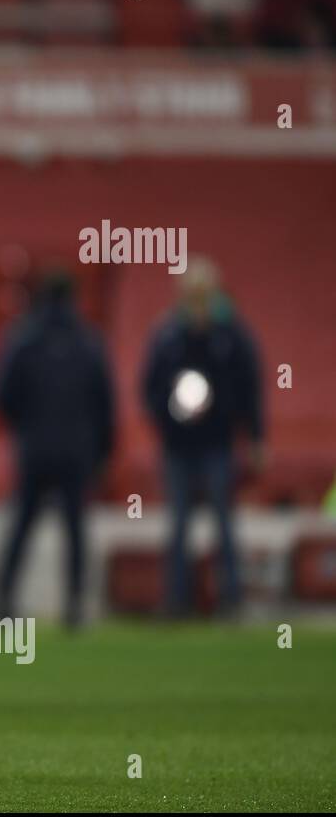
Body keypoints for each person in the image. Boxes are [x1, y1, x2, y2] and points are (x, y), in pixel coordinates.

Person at [0, 272, 114, 627]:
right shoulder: (88, 341)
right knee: (75, 530)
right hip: (78, 451)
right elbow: (104, 403)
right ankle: (74, 605)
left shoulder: (24, 339)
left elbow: (2, 396)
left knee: (22, 525)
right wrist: (102, 451)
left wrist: (26, 428)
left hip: (35, 449)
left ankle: (4, 599)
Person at [142, 261, 263, 617]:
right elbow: (149, 388)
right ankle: (177, 602)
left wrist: (255, 437)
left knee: (223, 524)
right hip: (178, 446)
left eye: (202, 294)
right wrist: (170, 417)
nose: (196, 302)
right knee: (178, 526)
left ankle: (231, 600)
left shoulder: (233, 335)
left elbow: (250, 390)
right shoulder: (167, 335)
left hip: (218, 444)